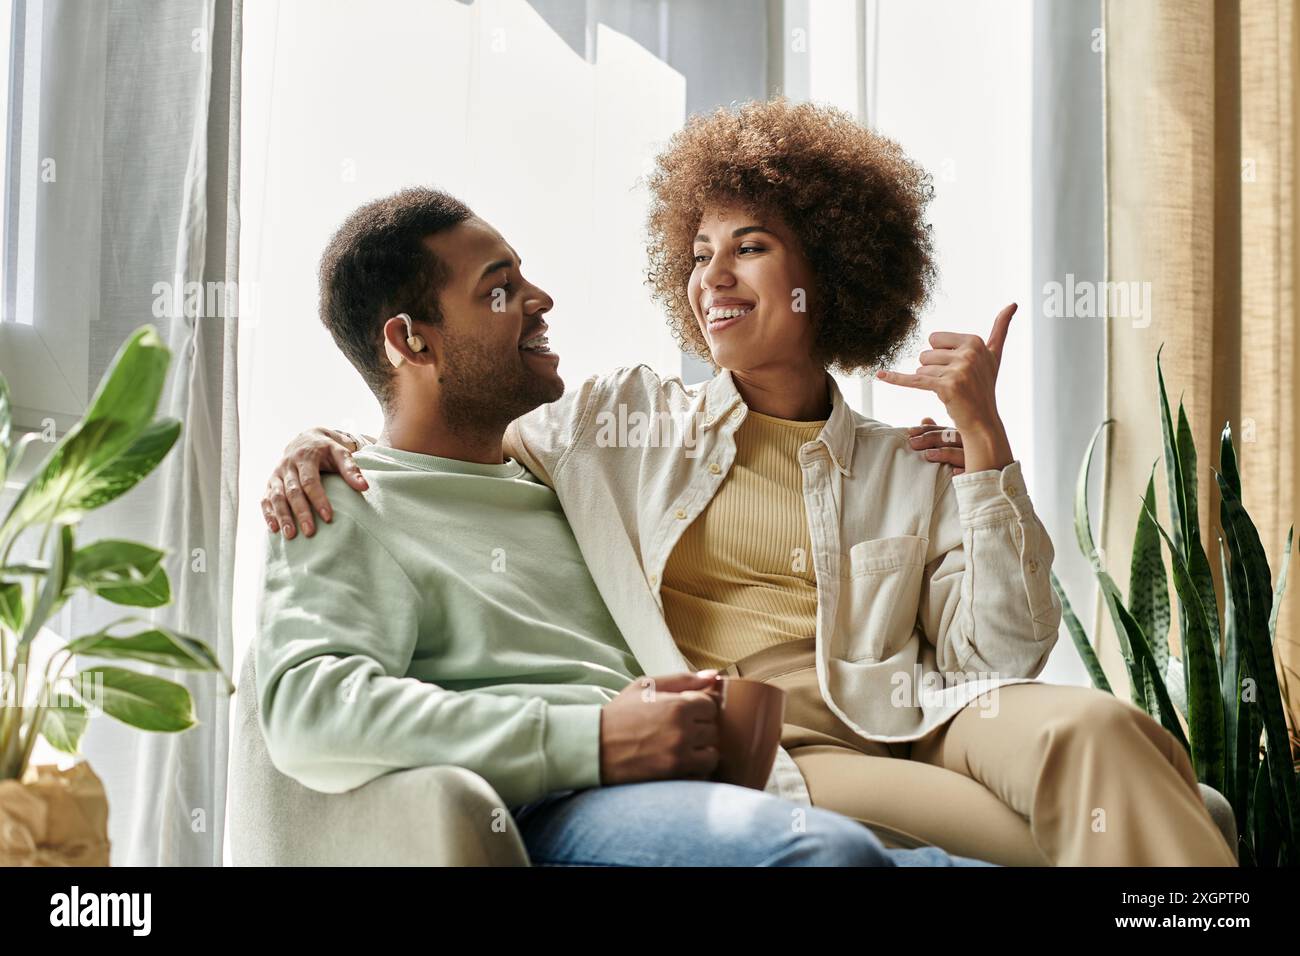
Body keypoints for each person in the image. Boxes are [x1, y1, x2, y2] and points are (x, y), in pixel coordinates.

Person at [266, 100, 1236, 866]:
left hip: (926, 711)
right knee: (1090, 840)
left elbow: (999, 648)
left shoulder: (910, 461)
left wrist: (985, 446)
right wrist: (321, 446)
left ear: (835, 266)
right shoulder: (620, 425)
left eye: (751, 246)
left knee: (1104, 727)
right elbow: (427, 442)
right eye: (698, 253)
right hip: (785, 755)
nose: (712, 277)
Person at [255, 185, 991, 867]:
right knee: (827, 857)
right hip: (555, 807)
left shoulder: (574, 482)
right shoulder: (340, 501)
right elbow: (307, 710)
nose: (539, 299)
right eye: (500, 289)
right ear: (413, 343)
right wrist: (595, 740)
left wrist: (984, 471)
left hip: (702, 781)